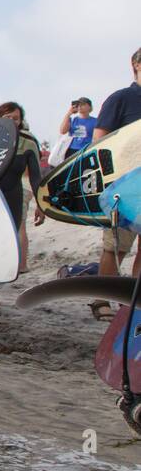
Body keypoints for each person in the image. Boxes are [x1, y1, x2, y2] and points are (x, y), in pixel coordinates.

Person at [0, 102, 44, 306]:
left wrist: (41, 204)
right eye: (7, 117)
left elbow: (36, 177)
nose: (12, 122)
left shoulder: (29, 143)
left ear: (21, 121)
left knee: (6, 240)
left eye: (15, 118)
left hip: (13, 196)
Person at [90, 47, 141, 308]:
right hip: (124, 186)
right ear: (135, 64)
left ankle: (133, 304)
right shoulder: (122, 98)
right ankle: (102, 300)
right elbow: (99, 141)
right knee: (116, 247)